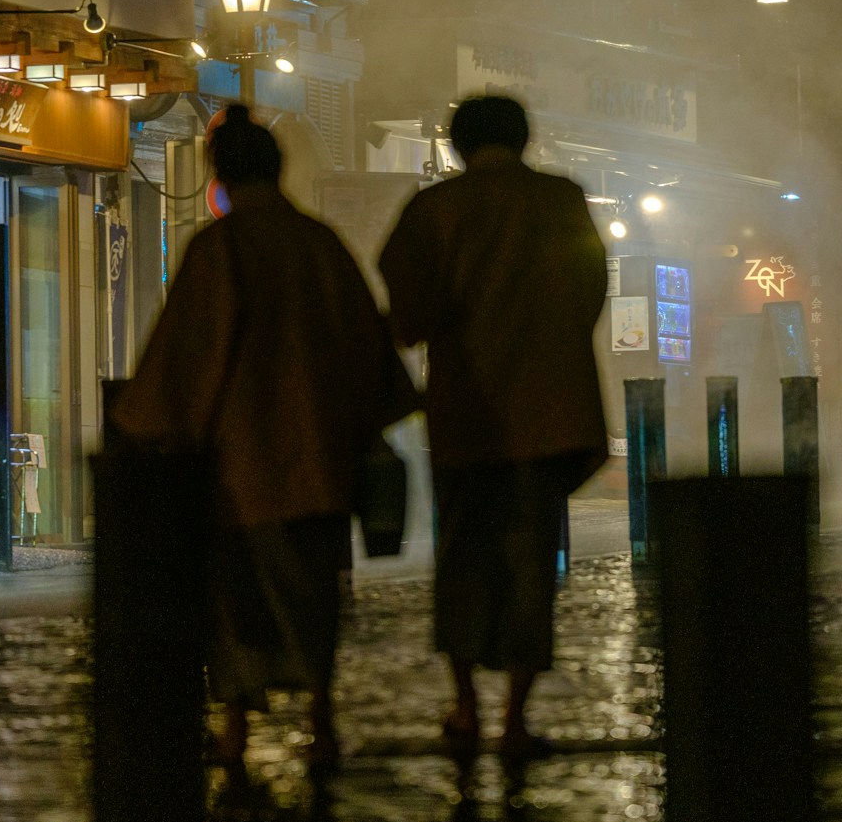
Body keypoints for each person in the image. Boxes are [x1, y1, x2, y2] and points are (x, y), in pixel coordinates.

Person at [109, 108, 416, 777]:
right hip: (320, 463)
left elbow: (185, 358)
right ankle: (321, 718)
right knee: (315, 595)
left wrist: (141, 424)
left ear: (219, 173)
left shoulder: (219, 250)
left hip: (239, 467)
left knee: (237, 603)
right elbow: (368, 349)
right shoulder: (319, 243)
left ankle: (236, 726)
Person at [377, 93, 611, 763]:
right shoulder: (561, 201)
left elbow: (408, 318)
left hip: (467, 415)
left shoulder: (434, 211)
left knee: (462, 560)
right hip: (549, 417)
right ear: (524, 137)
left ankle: (464, 705)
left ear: (456, 144)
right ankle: (514, 716)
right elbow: (588, 293)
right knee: (529, 561)